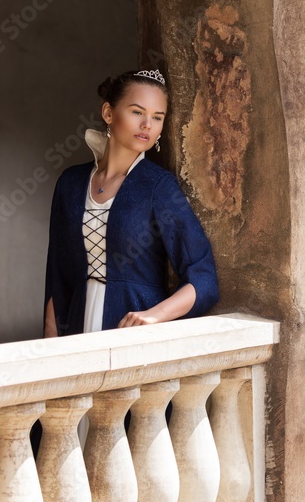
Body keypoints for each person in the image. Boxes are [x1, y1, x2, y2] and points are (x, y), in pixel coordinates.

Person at [42, 69, 219, 338]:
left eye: (157, 117)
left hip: (134, 334)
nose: (148, 124)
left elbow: (203, 279)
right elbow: (59, 276)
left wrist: (154, 315)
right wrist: (50, 345)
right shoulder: (70, 184)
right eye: (137, 112)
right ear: (108, 113)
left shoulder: (158, 187)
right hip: (77, 329)